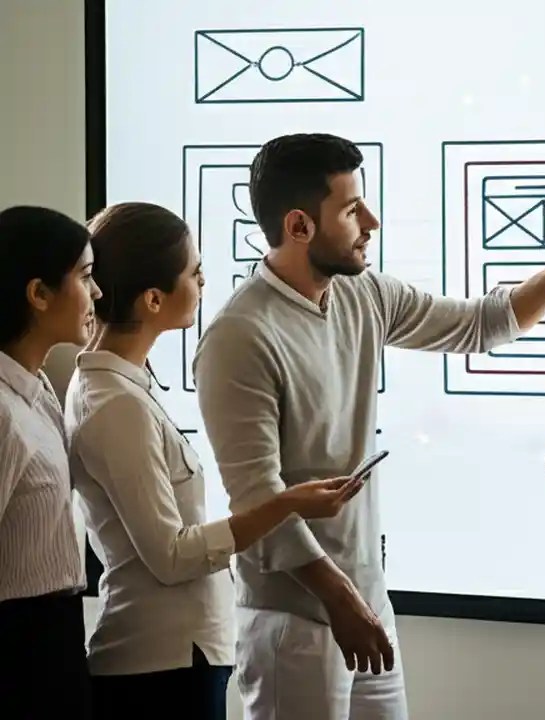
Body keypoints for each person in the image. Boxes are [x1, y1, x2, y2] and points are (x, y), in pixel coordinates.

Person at [192, 132, 545, 719]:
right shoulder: (239, 337)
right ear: (298, 226)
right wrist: (340, 599)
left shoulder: (362, 292)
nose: (371, 222)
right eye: (351, 210)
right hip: (296, 621)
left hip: (365, 604)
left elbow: (483, 324)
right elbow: (257, 501)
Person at [63, 202, 368, 719]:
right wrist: (286, 504)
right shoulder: (114, 403)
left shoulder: (121, 387)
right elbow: (172, 556)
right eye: (194, 271)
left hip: (180, 657)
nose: (205, 282)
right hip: (158, 667)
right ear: (153, 299)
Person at [0, 205, 100, 719]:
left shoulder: (38, 389)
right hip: (18, 648)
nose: (96, 293)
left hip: (54, 636)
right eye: (84, 276)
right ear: (38, 294)